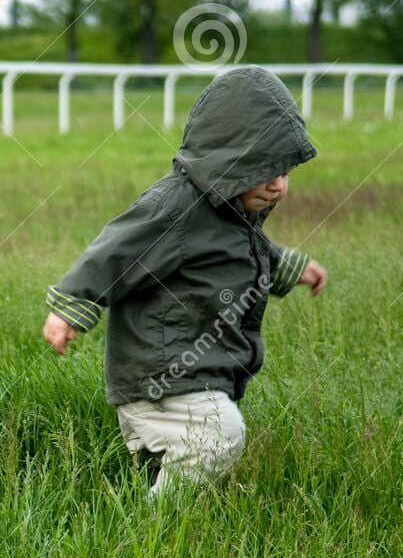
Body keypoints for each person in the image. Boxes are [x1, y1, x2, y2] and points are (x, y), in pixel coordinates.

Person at [41, 65, 329, 495]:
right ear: (228, 161)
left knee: (208, 442)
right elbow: (114, 250)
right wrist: (71, 307)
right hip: (160, 375)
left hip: (194, 375)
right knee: (218, 436)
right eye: (264, 172)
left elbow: (246, 252)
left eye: (285, 172)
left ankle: (166, 500)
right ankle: (154, 527)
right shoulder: (175, 207)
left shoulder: (232, 213)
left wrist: (289, 267)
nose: (278, 186)